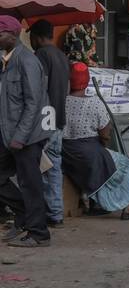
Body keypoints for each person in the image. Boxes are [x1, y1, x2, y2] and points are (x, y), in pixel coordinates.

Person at [61, 62, 129, 221]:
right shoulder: (94, 103)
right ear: (87, 81)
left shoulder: (61, 101)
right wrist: (103, 145)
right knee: (124, 164)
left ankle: (95, 205)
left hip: (67, 152)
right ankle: (127, 208)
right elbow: (105, 134)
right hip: (90, 151)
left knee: (103, 163)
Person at [0, 16, 54, 247]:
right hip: (7, 133)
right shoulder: (5, 60)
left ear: (12, 35)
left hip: (27, 136)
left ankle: (39, 234)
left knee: (30, 184)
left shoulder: (27, 61)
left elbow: (34, 103)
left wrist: (20, 137)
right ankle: (24, 215)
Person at [30, 20, 70, 226]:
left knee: (40, 167)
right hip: (59, 117)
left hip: (45, 119)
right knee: (53, 166)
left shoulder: (41, 55)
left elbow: (38, 89)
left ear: (36, 36)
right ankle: (55, 212)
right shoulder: (61, 56)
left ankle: (46, 212)